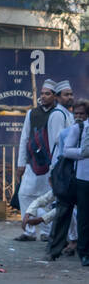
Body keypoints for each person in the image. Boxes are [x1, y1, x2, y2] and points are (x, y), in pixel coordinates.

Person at [15, 79, 70, 234]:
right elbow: (24, 138)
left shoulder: (59, 114)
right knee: (24, 194)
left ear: (55, 96)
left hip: (52, 164)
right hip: (32, 162)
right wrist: (20, 163)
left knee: (46, 198)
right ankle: (29, 231)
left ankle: (46, 233)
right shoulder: (31, 113)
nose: (44, 96)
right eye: (42, 93)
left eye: (48, 94)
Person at [45, 99, 87, 259]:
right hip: (67, 179)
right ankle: (53, 250)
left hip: (83, 178)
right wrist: (53, 174)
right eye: (76, 113)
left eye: (82, 114)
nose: (78, 116)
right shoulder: (66, 133)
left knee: (82, 217)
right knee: (62, 214)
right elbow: (60, 155)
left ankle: (80, 249)